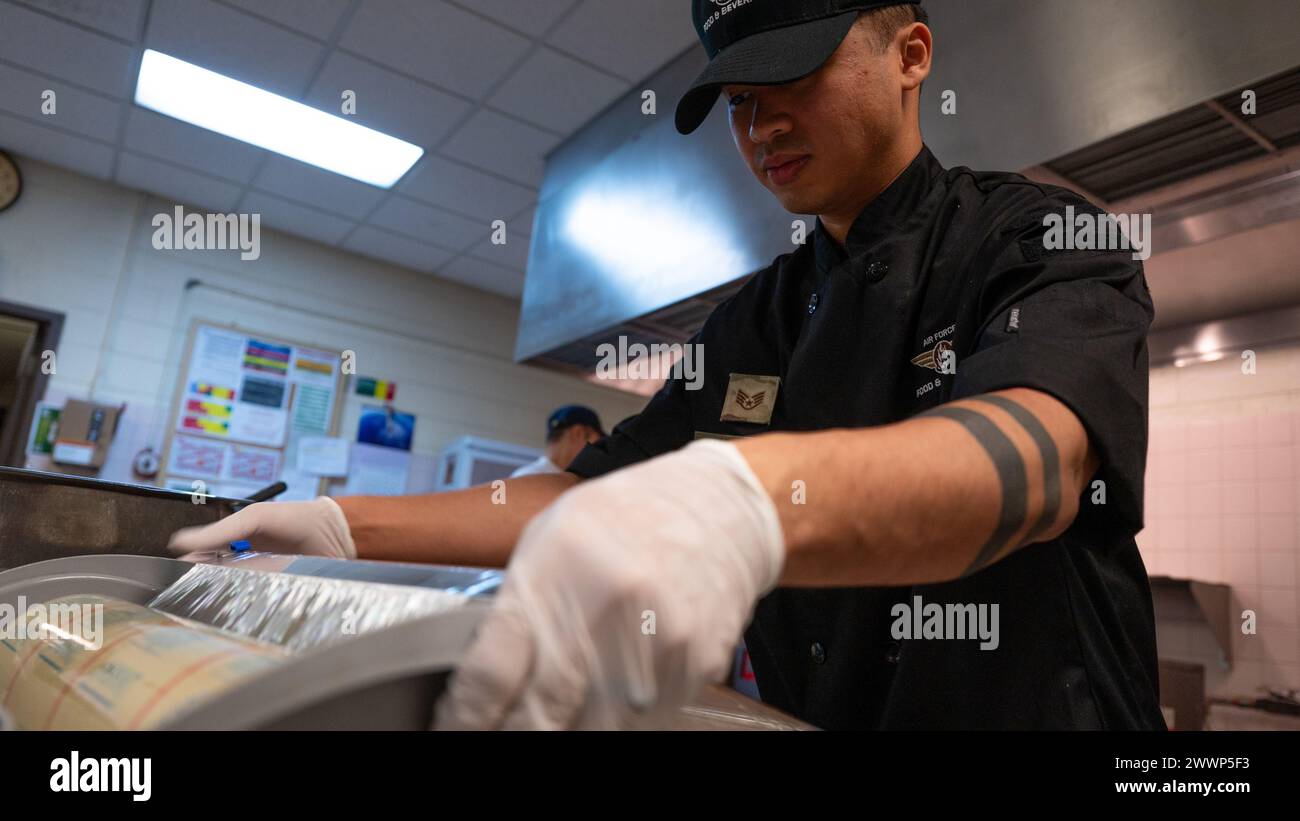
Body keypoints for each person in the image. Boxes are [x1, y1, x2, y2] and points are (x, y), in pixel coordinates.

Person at [170, 0, 1164, 731]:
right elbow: (585, 491)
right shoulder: (756, 319)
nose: (760, 126)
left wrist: (738, 500)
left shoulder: (1035, 238)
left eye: (794, 79)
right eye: (738, 100)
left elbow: (1034, 460)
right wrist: (342, 523)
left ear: (910, 56)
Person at [509, 405, 605, 478]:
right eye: (597, 440)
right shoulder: (530, 478)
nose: (598, 449)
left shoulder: (531, 476)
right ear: (578, 432)